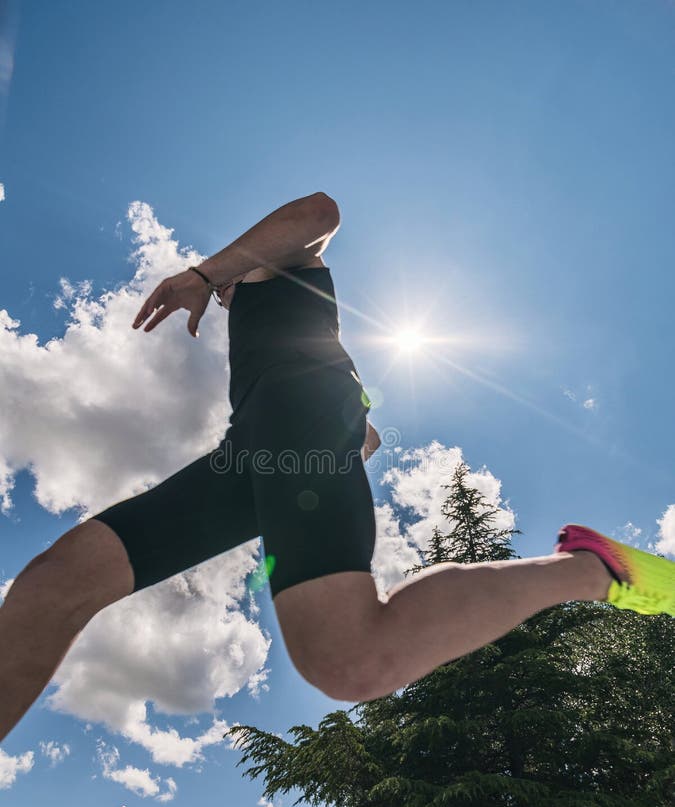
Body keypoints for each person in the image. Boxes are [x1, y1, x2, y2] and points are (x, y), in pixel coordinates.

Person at [1, 191, 673, 744]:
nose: (225, 301)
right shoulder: (280, 322)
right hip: (258, 446)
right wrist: (341, 435)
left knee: (348, 658)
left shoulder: (272, 270)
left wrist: (203, 275)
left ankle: (591, 569)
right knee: (55, 583)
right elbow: (365, 436)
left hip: (290, 418)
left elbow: (320, 212)